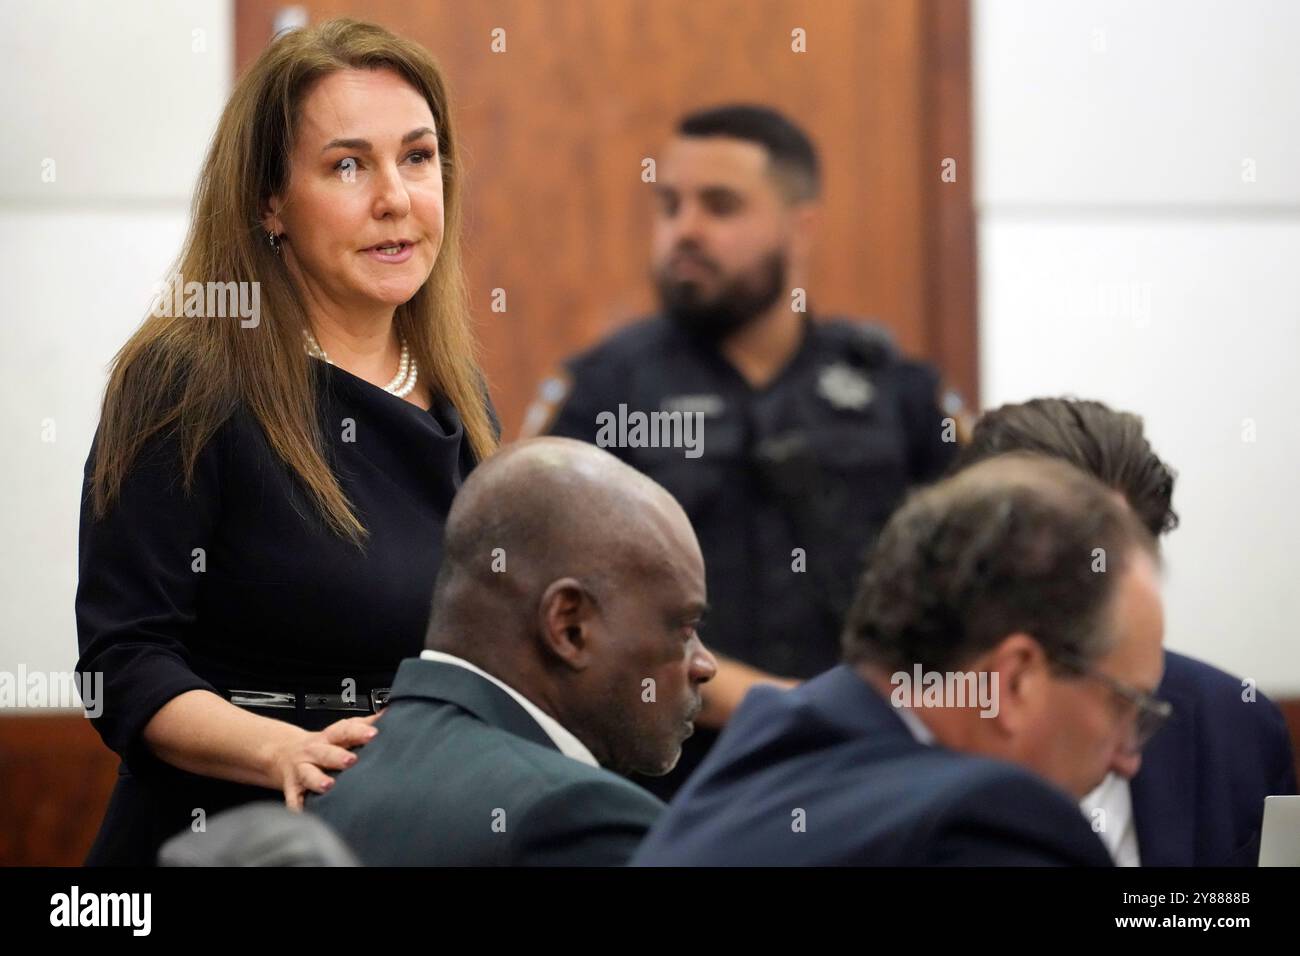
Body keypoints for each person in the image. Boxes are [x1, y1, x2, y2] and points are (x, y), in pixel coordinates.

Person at [74, 19, 497, 866]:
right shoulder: (184, 378)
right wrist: (280, 750)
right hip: (223, 838)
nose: (396, 198)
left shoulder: (458, 387)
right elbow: (121, 662)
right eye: (348, 165)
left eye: (417, 158)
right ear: (270, 202)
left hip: (403, 833)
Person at [526, 104, 956, 797]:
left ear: (801, 226)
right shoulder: (604, 392)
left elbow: (974, 585)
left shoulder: (893, 392)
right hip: (669, 785)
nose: (685, 229)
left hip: (868, 775)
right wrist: (768, 702)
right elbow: (543, 594)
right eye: (669, 205)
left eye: (719, 206)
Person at [633, 454, 1161, 865]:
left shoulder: (767, 745)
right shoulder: (988, 826)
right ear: (1016, 679)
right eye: (1125, 706)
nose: (1129, 758)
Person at [310, 438, 717, 865]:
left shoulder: (336, 778)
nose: (705, 665)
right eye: (683, 628)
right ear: (570, 627)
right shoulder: (582, 820)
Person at [953, 397, 1297, 865]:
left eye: (1119, 568)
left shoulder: (1235, 728)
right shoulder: (881, 733)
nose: (1099, 606)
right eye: (1075, 573)